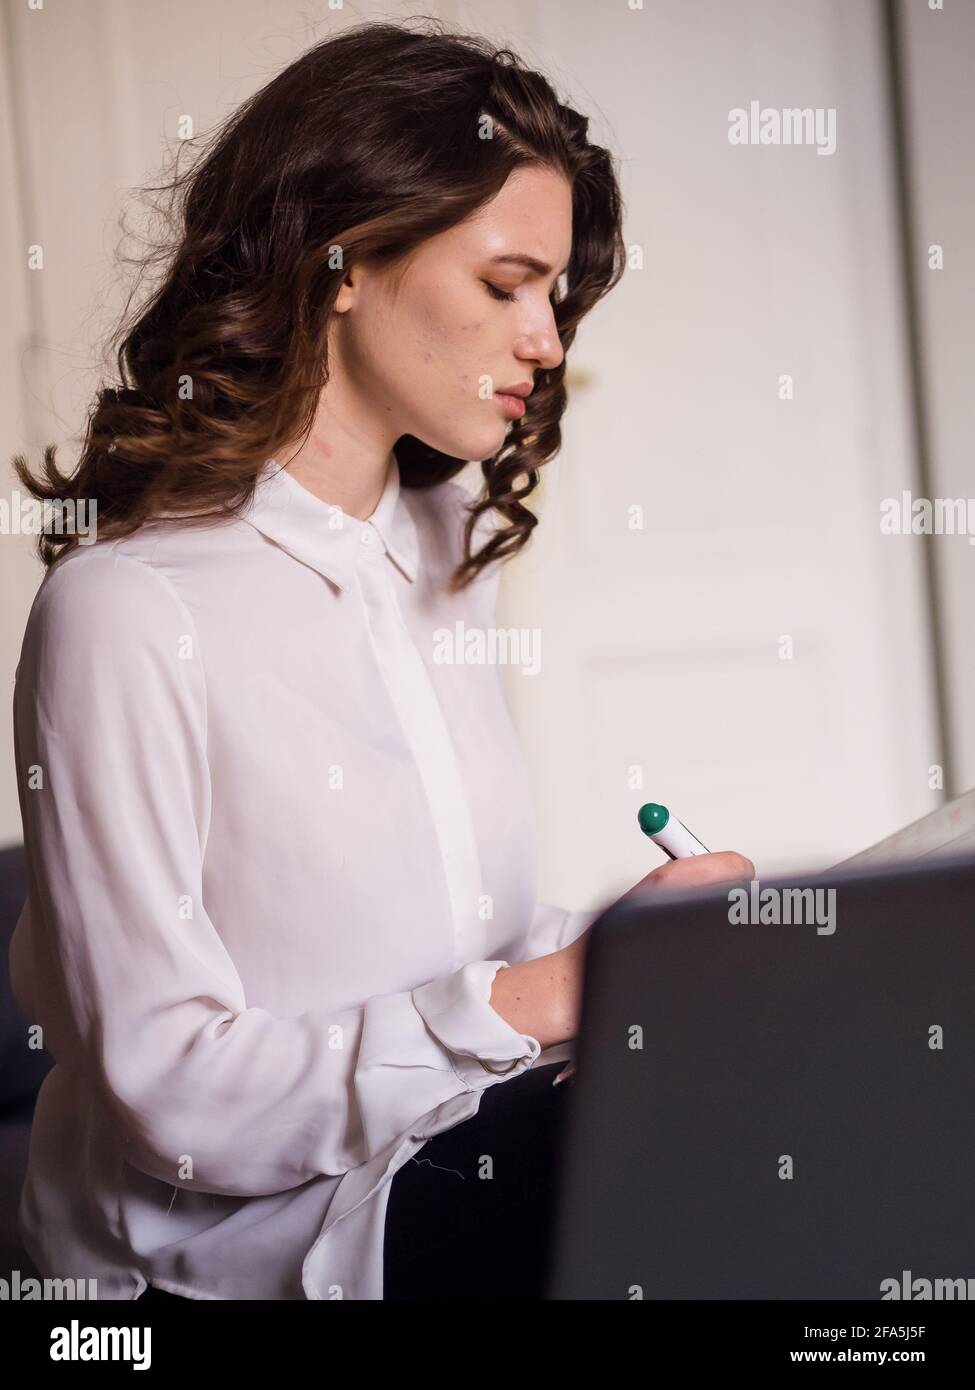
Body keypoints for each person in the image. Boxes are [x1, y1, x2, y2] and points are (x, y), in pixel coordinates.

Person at [8, 20, 753, 1301]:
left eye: (557, 297)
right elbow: (173, 1097)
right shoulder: (124, 612)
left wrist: (643, 955)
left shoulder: (445, 545)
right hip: (209, 1277)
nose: (549, 343)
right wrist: (545, 996)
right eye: (507, 284)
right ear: (340, 261)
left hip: (449, 1164)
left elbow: (460, 950)